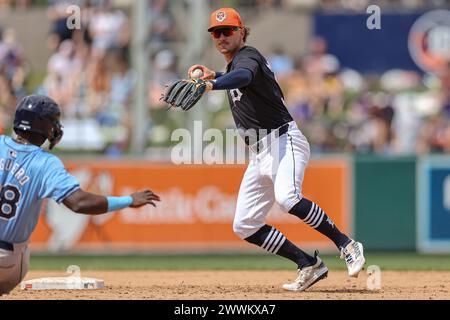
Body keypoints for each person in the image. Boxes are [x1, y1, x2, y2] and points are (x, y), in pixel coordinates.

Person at [187, 8, 365, 292]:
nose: (221, 37)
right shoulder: (235, 66)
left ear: (242, 31)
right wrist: (217, 75)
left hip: (284, 140)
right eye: (216, 33)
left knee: (288, 198)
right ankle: (309, 264)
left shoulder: (248, 56)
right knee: (244, 225)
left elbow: (244, 76)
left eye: (228, 30)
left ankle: (346, 243)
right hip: (260, 153)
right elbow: (240, 78)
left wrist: (212, 83)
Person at [0, 95, 160, 295]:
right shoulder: (45, 163)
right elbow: (79, 202)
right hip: (7, 260)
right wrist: (128, 200)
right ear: (44, 125)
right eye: (53, 121)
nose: (56, 126)